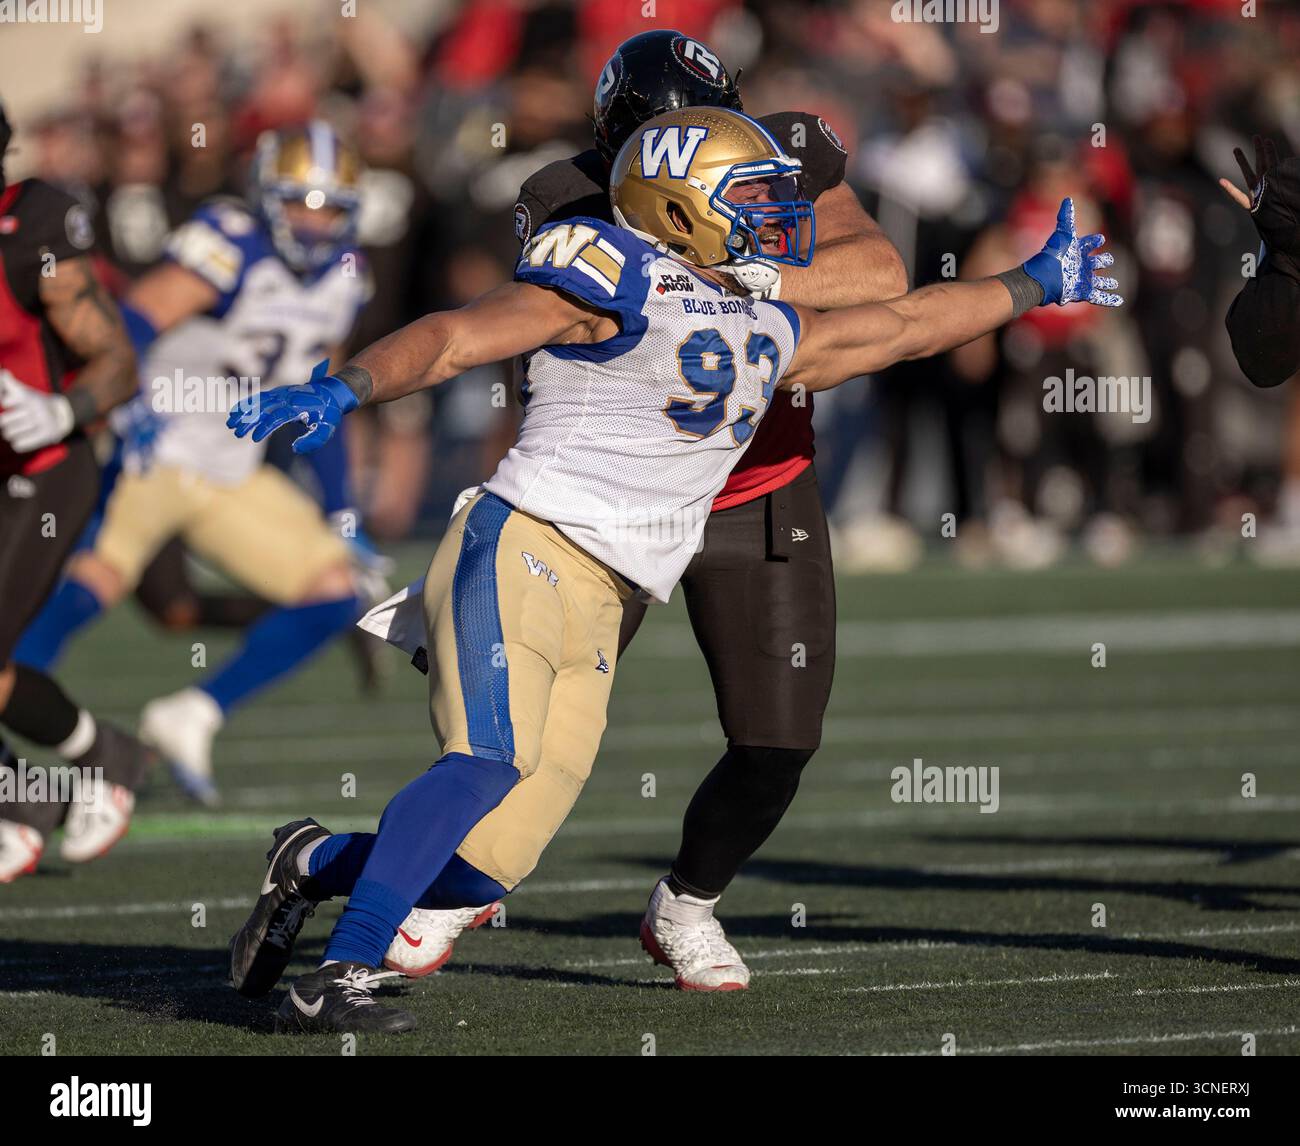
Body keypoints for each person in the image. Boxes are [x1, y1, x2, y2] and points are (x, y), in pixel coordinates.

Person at [224, 105, 1121, 1033]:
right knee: (483, 763)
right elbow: (459, 334)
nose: (779, 213)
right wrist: (348, 384)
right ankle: (340, 972)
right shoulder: (610, 270)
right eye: (754, 194)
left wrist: (1031, 282)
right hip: (525, 544)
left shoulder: (762, 321)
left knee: (486, 866)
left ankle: (312, 861)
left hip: (609, 598)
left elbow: (899, 326)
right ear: (679, 207)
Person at [392, 26, 910, 991]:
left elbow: (878, 277)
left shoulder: (781, 151)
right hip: (608, 507)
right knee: (514, 734)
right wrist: (741, 280)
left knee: (779, 738)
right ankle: (446, 883)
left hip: (757, 492)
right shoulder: (563, 197)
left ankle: (687, 903)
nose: (720, 148)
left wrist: (737, 271)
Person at [11, 122, 370, 807]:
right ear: (268, 196)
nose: (314, 223)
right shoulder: (231, 244)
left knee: (335, 589)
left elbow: (317, 397)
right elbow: (134, 320)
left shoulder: (346, 279)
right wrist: (116, 398)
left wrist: (341, 507)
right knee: (78, 595)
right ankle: (27, 769)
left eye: (330, 208)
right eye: (300, 202)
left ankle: (193, 713)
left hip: (230, 470)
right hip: (158, 449)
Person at [0, 99, 153, 881]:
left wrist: (62, 407)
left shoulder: (34, 229)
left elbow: (119, 364)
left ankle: (95, 763)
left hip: (46, 465)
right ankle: (25, 799)